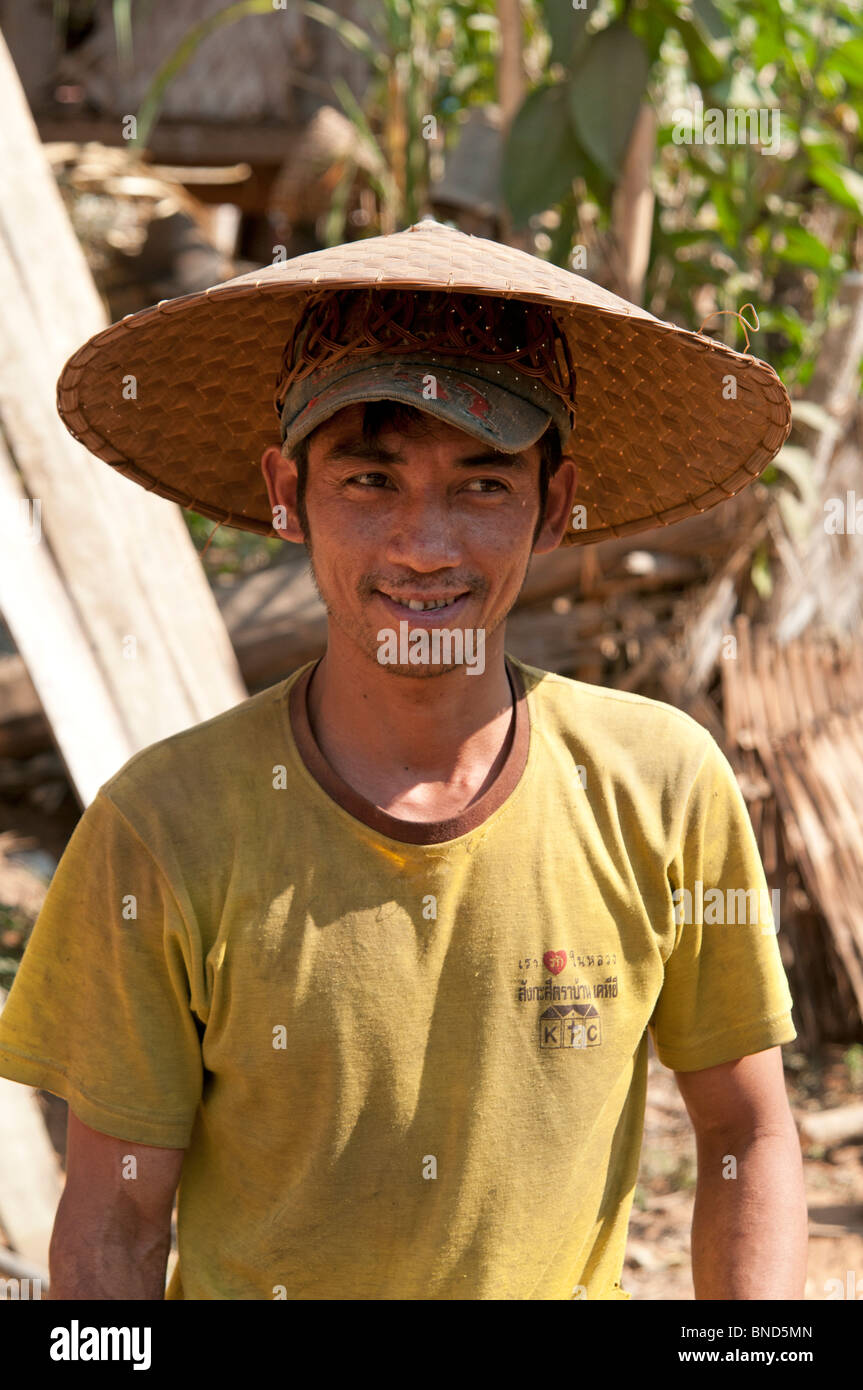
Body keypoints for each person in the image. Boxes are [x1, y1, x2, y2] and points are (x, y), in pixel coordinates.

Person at [0, 219, 806, 1300]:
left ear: (553, 506)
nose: (423, 545)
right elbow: (117, 1219)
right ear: (286, 492)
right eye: (369, 479)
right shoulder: (164, 826)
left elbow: (743, 1133)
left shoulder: (658, 786)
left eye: (481, 485)